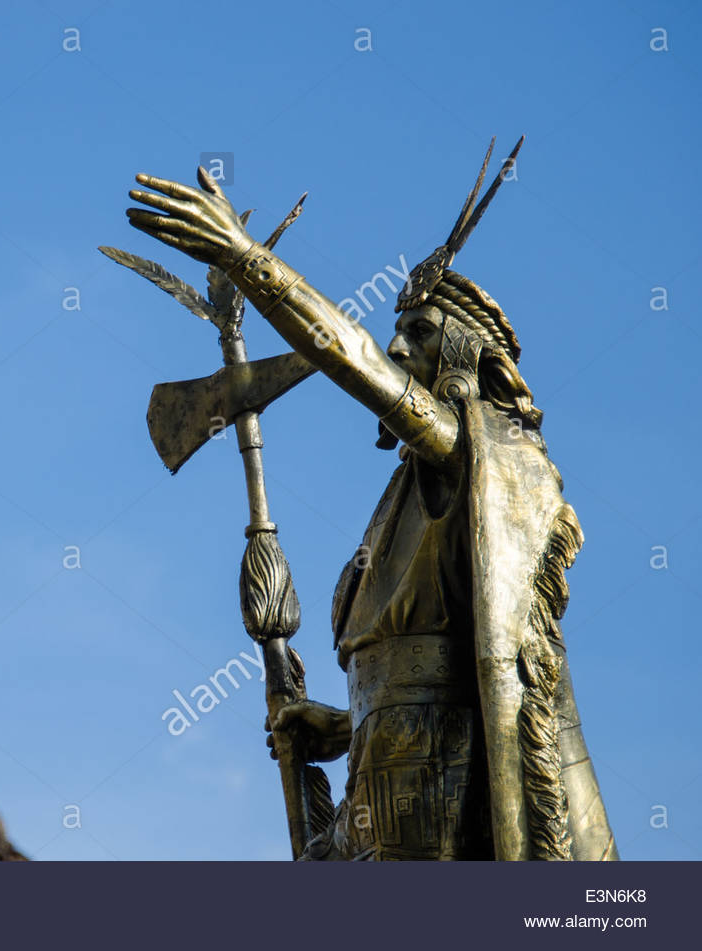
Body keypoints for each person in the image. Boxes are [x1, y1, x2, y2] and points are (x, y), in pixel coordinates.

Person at [126, 139, 617, 860]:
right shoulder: (406, 491)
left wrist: (243, 256)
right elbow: (422, 674)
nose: (394, 345)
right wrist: (339, 726)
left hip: (440, 788)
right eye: (395, 329)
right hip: (378, 781)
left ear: (466, 362)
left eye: (419, 333)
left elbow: (346, 352)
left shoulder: (467, 457)